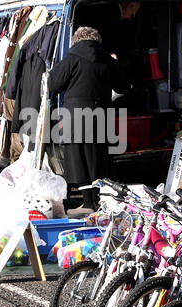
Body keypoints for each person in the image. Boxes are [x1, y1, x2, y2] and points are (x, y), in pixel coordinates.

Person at [47, 26, 125, 210]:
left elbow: (53, 84)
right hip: (101, 116)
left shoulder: (71, 59)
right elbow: (123, 86)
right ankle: (96, 201)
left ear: (76, 40)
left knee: (78, 160)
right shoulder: (107, 60)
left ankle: (88, 202)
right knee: (97, 159)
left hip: (75, 118)